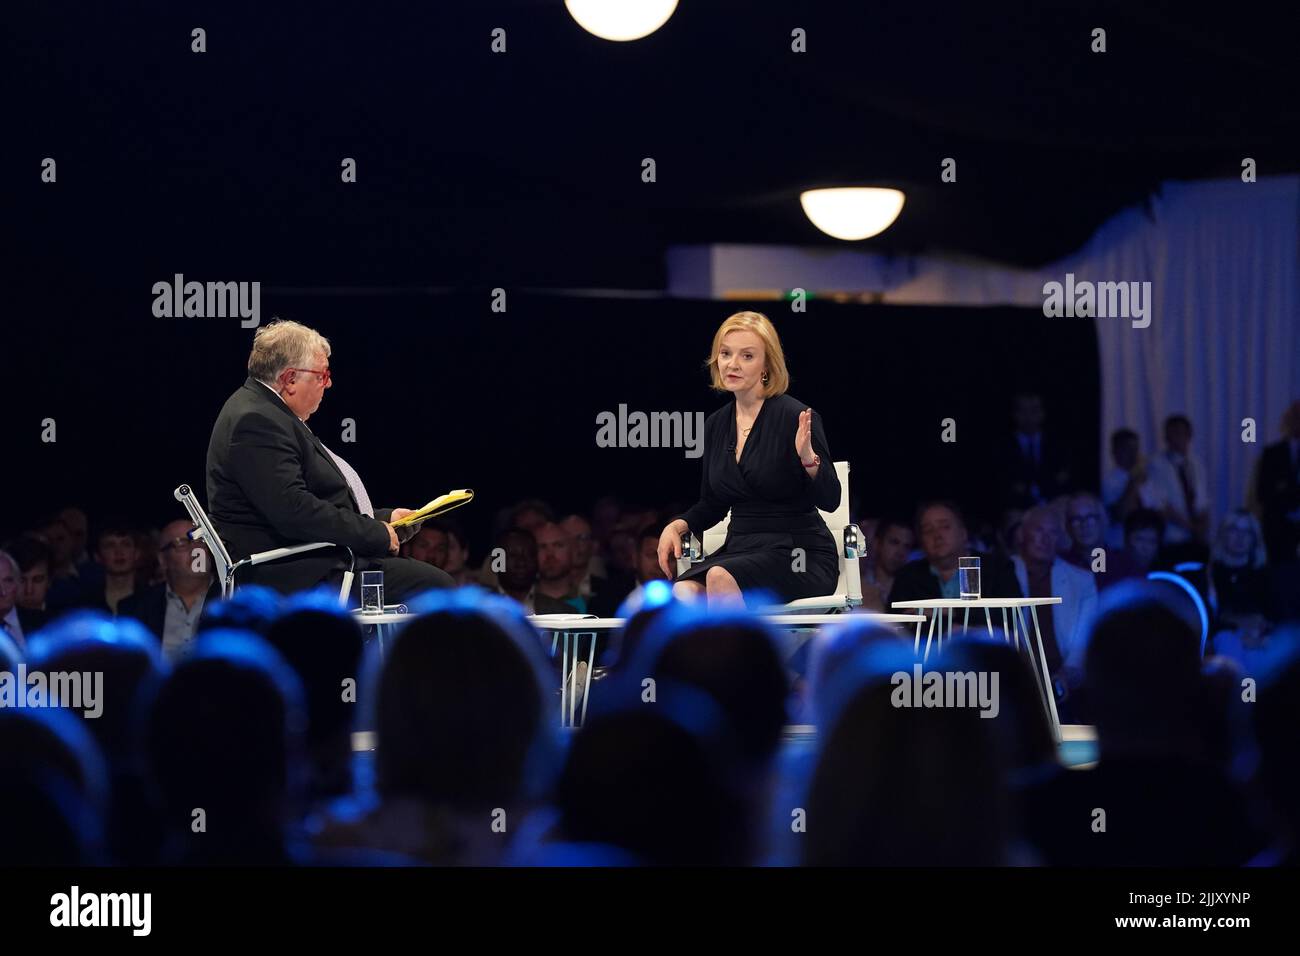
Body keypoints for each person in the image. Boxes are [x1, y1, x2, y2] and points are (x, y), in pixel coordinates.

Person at [206, 319, 451, 602]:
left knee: (431, 581)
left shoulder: (268, 413)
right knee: (436, 586)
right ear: (290, 379)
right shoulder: (257, 420)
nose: (329, 383)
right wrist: (374, 534)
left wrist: (385, 520)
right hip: (294, 574)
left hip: (313, 560)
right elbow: (293, 511)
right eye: (322, 375)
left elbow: (318, 502)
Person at [657, 311, 841, 606]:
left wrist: (808, 459)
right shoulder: (716, 425)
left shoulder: (796, 416)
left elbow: (831, 500)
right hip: (741, 547)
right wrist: (678, 525)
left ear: (767, 365)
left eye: (747, 356)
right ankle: (705, 654)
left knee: (719, 576)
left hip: (798, 552)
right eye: (726, 353)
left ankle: (742, 653)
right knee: (685, 590)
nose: (733, 364)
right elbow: (713, 503)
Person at [1011, 505, 1098, 692]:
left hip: (1063, 677)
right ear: (1022, 534)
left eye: (1052, 533)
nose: (1045, 539)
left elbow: (1083, 643)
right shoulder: (1002, 571)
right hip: (1011, 674)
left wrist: (1065, 678)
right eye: (1039, 530)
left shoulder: (1082, 581)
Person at [118, 519, 220, 658]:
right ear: (162, 559)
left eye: (201, 540)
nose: (196, 549)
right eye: (182, 543)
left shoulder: (232, 598)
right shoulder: (134, 609)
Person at [890, 500, 1019, 604]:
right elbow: (900, 625)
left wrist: (949, 612)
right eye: (928, 530)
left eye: (945, 527)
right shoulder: (908, 577)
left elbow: (1009, 613)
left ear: (963, 533)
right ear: (921, 542)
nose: (937, 535)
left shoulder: (996, 568)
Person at [1145, 414, 1210, 559]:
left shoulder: (1196, 464)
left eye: (1181, 433)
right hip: (1171, 538)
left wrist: (1202, 528)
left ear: (1189, 435)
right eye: (1173, 433)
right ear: (1166, 437)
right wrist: (1192, 528)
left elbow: (1202, 501)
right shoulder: (1155, 465)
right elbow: (1161, 505)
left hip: (1195, 539)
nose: (1177, 438)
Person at [1256, 399, 1300, 564]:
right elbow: (1263, 493)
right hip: (1279, 533)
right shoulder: (1272, 454)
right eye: (1295, 416)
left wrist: (1284, 489)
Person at [859, 518, 913, 611]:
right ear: (877, 544)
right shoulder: (857, 587)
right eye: (894, 542)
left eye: (906, 546)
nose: (901, 552)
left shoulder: (912, 588)